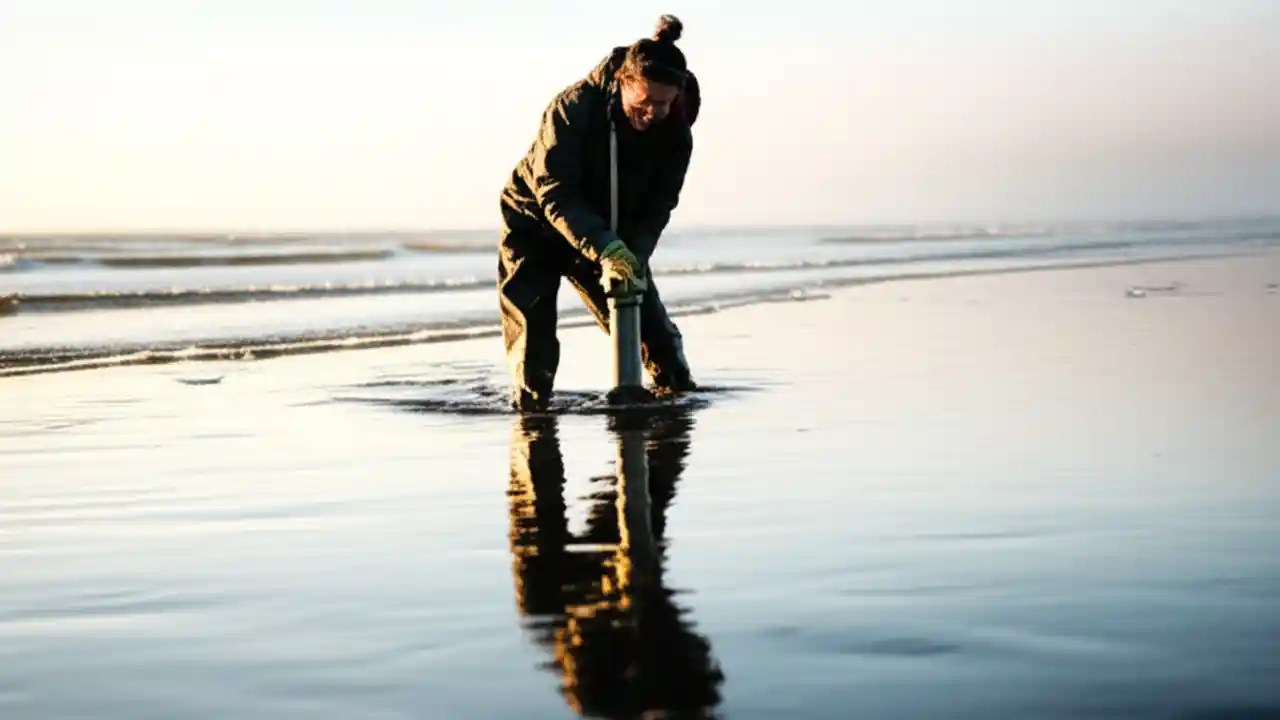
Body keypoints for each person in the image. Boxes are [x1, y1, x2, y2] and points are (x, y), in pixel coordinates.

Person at [498, 15, 699, 412]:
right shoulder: (572, 109)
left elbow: (659, 207)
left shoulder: (676, 133)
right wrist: (605, 247)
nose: (652, 113)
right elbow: (555, 192)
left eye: (663, 103)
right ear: (623, 84)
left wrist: (633, 254)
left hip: (610, 229)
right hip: (535, 223)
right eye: (643, 103)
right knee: (533, 348)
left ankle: (671, 405)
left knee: (653, 335)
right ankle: (532, 414)